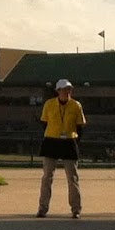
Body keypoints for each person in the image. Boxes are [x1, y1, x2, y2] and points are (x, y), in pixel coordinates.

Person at [38, 78, 86, 218]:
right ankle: (42, 208)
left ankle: (76, 209)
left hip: (69, 141)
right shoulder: (49, 104)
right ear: (58, 91)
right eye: (64, 89)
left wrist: (75, 140)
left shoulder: (76, 105)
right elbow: (44, 123)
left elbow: (80, 126)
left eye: (69, 89)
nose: (67, 91)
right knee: (47, 176)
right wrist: (52, 133)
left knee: (72, 177)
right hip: (51, 141)